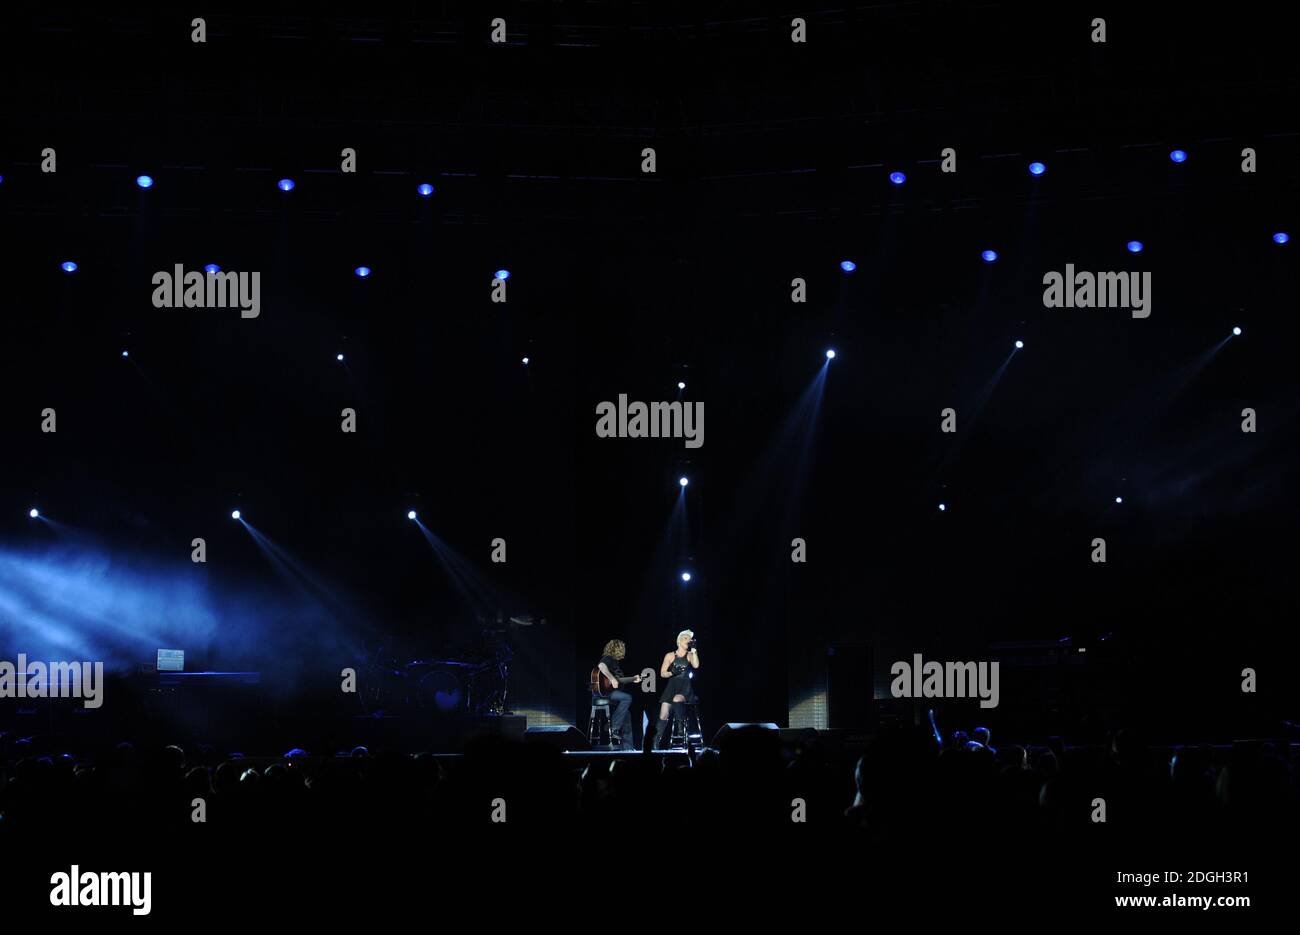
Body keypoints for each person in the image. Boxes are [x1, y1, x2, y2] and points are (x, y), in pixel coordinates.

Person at [653, 630, 700, 750]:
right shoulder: (670, 655)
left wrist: (694, 650)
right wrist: (671, 672)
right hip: (671, 686)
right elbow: (662, 673)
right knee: (663, 714)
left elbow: (696, 665)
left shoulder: (690, 655)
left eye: (690, 639)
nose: (688, 640)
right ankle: (655, 742)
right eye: (686, 638)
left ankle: (680, 728)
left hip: (685, 688)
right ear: (679, 640)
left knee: (677, 698)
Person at [596, 640, 640, 750]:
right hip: (605, 693)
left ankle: (628, 748)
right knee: (628, 698)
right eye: (622, 649)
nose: (624, 652)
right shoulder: (608, 658)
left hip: (612, 693)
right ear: (617, 649)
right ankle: (614, 727)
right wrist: (611, 678)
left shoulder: (615, 663)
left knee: (627, 715)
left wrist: (633, 679)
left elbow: (618, 680)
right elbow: (601, 666)